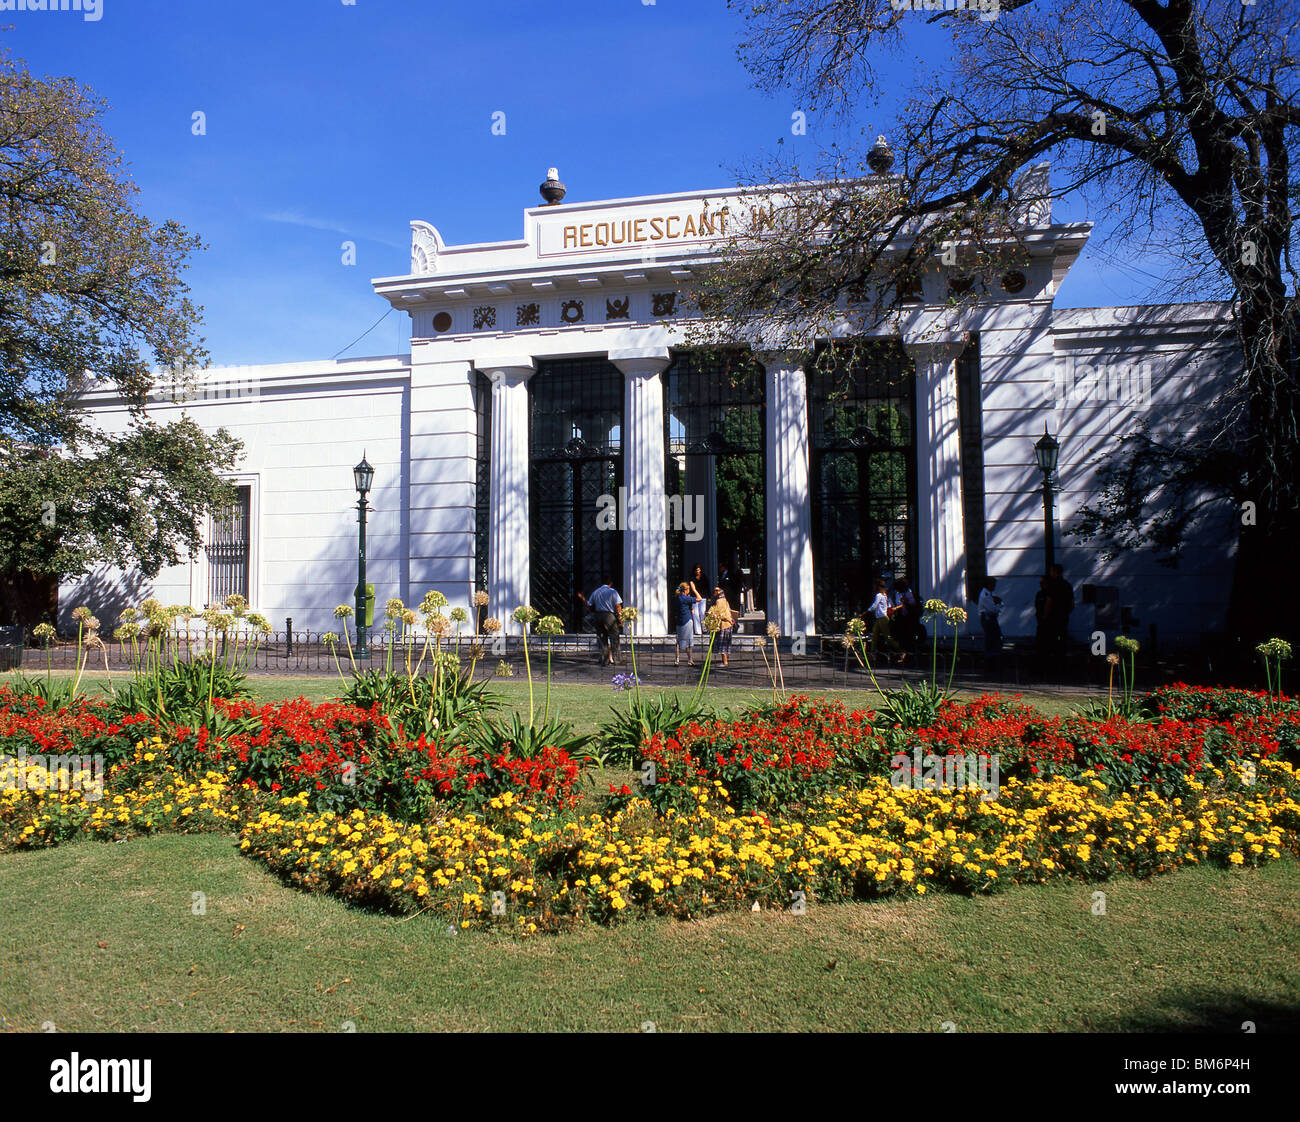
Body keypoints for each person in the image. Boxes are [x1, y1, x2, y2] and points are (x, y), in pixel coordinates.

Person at [589, 578, 623, 666]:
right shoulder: (613, 592)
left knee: (601, 638)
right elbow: (618, 606)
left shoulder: (595, 592)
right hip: (609, 615)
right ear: (610, 583)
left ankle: (604, 659)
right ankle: (617, 660)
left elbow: (590, 605)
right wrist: (620, 618)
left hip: (598, 615)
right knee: (614, 637)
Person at [868, 578, 902, 661]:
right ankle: (872, 653)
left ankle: (901, 650)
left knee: (887, 637)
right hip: (879, 618)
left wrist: (867, 611)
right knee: (874, 635)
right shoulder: (885, 595)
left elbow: (874, 606)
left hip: (882, 618)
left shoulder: (879, 595)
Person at [1046, 563, 1074, 657]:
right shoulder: (1067, 585)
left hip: (1053, 616)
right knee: (1062, 637)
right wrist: (1066, 612)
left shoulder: (1052, 585)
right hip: (1063, 615)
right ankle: (1062, 655)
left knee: (1052, 638)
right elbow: (1072, 603)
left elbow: (1049, 601)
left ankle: (1054, 656)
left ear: (1054, 572)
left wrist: (1045, 615)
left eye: (1051, 571)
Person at [674, 581, 702, 667]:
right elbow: (699, 598)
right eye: (689, 589)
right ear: (686, 590)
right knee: (689, 641)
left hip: (679, 621)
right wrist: (694, 589)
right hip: (687, 620)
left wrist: (690, 607)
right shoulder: (685, 598)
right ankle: (690, 660)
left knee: (679, 641)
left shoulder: (678, 597)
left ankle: (677, 660)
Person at [708, 586, 737, 667]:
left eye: (715, 591)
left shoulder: (719, 601)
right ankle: (725, 661)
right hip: (728, 624)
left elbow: (720, 613)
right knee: (724, 643)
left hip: (724, 624)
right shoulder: (725, 600)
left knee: (722, 644)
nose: (714, 593)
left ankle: (725, 662)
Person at [978, 576, 1003, 661]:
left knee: (995, 638)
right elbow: (993, 609)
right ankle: (990, 659)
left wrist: (998, 604)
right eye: (993, 584)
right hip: (988, 618)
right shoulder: (985, 595)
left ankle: (994, 657)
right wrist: (999, 604)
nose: (994, 586)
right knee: (991, 639)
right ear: (989, 584)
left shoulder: (990, 594)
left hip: (991, 618)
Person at [686, 563, 707, 636]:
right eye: (696, 570)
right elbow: (692, 588)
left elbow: (707, 586)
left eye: (699, 570)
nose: (698, 571)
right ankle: (698, 631)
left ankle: (704, 629)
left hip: (703, 597)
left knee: (702, 613)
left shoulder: (704, 577)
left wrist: (709, 596)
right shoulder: (692, 578)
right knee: (695, 614)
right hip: (695, 597)